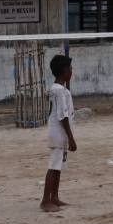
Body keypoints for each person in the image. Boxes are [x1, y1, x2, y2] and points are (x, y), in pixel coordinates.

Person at [40, 53, 77, 211]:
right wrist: (71, 138)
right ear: (64, 71)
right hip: (59, 134)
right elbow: (63, 116)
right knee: (54, 166)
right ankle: (45, 200)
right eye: (70, 68)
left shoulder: (56, 89)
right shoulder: (60, 91)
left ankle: (54, 197)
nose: (71, 70)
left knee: (59, 166)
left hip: (58, 133)